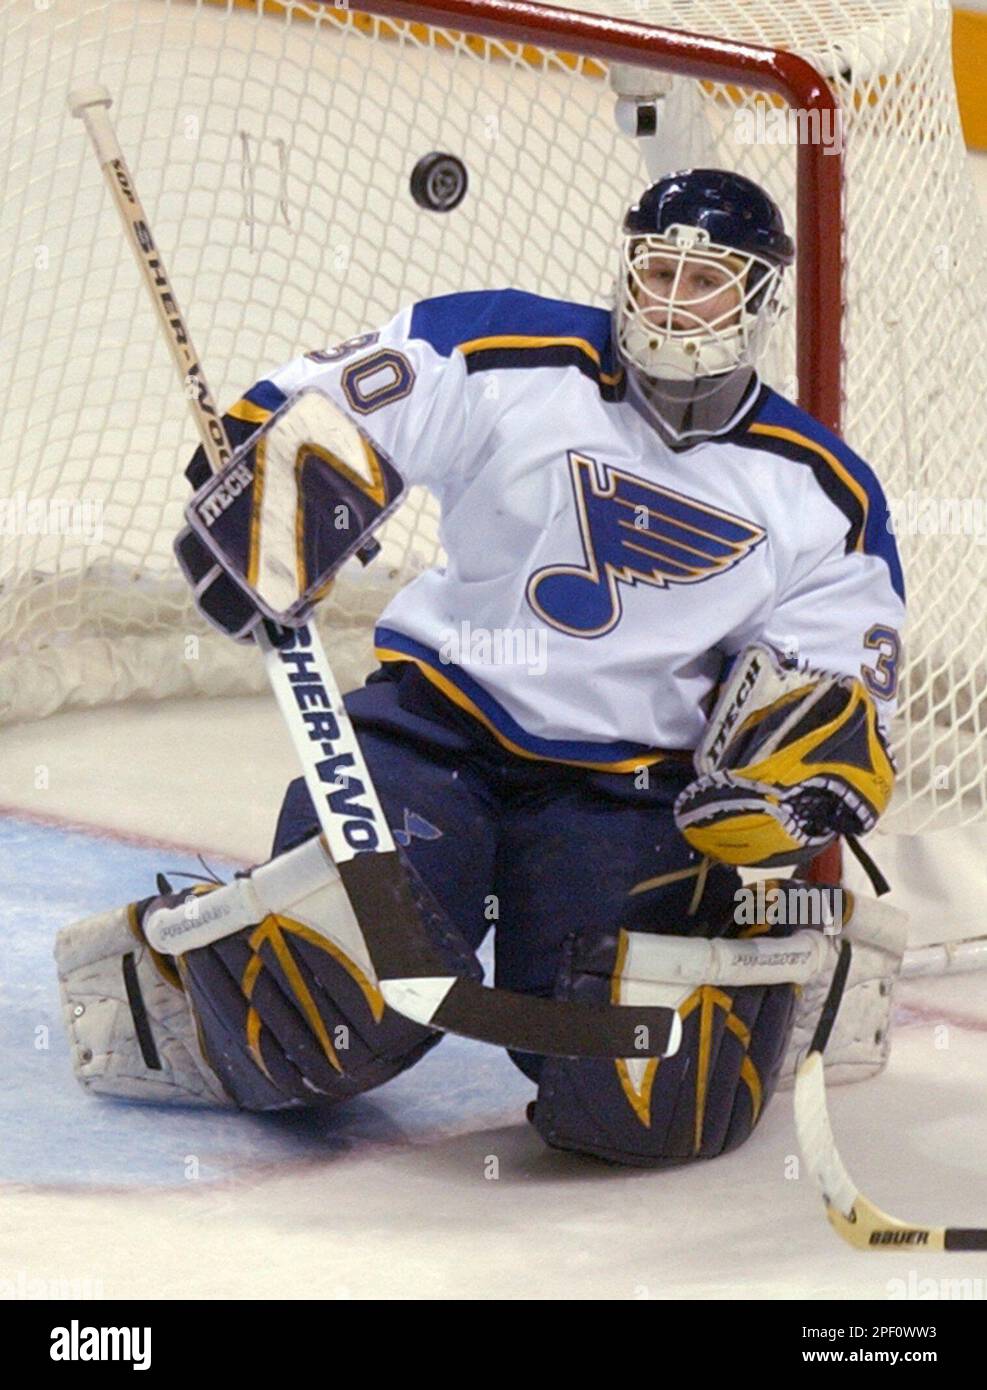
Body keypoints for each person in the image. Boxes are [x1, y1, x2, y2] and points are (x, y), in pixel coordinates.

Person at [55, 169, 904, 1167]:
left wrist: (797, 774)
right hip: (435, 731)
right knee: (342, 992)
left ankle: (783, 974)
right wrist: (277, 488)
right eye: (658, 267)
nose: (674, 297)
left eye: (707, 278)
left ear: (759, 299)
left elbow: (840, 677)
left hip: (626, 795)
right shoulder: (515, 349)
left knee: (653, 1100)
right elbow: (347, 402)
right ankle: (179, 962)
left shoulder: (821, 490)